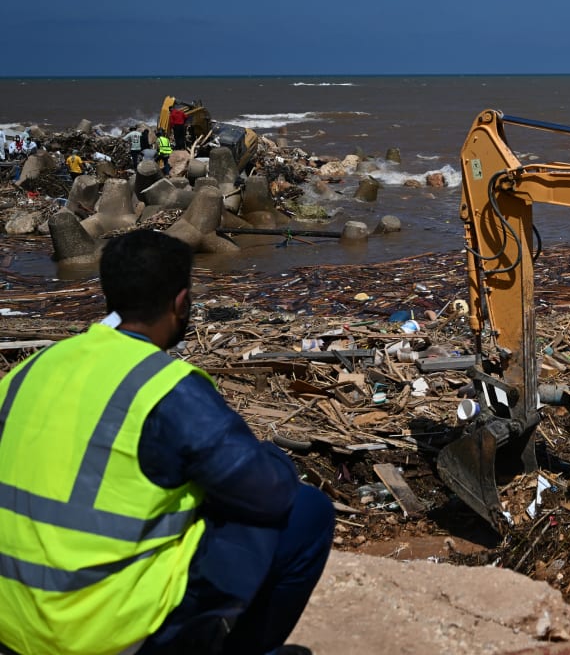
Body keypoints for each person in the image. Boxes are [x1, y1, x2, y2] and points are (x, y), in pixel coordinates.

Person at [0, 230, 334, 655]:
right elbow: (268, 493)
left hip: (12, 622)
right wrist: (271, 455)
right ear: (181, 303)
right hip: (94, 633)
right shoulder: (166, 387)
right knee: (307, 511)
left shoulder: (30, 369)